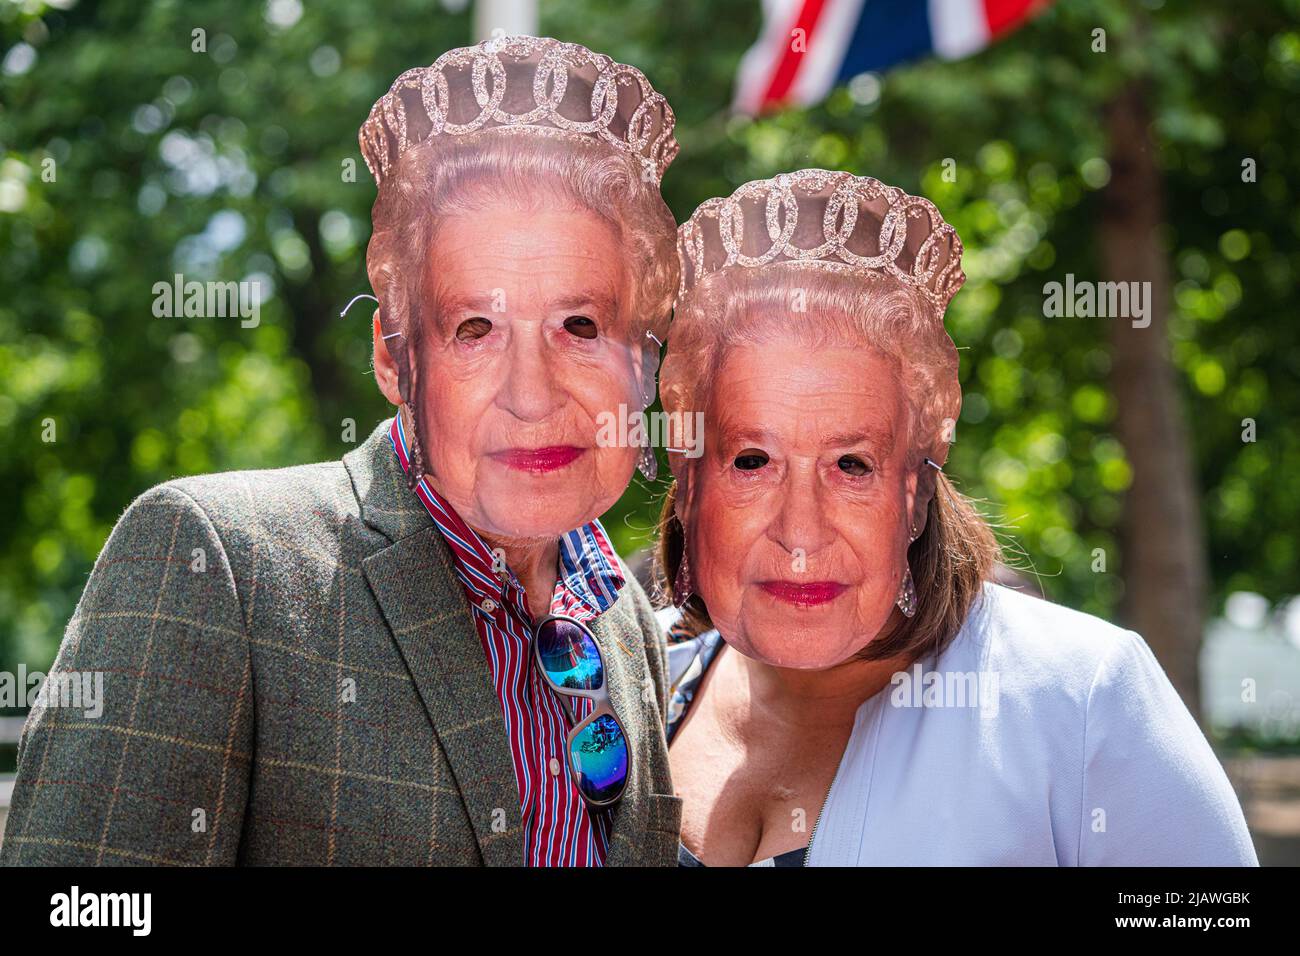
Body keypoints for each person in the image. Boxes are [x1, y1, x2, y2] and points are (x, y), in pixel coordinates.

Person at [1, 36, 684, 867]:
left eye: (580, 326)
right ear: (395, 359)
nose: (531, 394)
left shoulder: (629, 625)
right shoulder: (214, 564)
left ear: (644, 363)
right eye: (475, 329)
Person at [655, 168, 1259, 866]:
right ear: (689, 480)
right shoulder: (624, 687)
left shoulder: (1080, 700)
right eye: (753, 461)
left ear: (914, 491)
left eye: (852, 465)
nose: (800, 533)